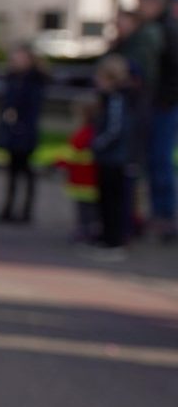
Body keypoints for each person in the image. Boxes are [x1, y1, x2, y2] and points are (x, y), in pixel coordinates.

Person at [88, 53, 141, 259]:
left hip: (115, 159)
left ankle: (114, 240)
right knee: (106, 200)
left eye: (100, 78)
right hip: (111, 157)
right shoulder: (112, 99)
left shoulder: (117, 100)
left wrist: (98, 144)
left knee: (113, 202)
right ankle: (105, 237)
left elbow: (115, 129)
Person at [0, 43, 48, 225]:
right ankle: (8, 208)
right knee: (13, 171)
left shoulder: (33, 81)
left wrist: (19, 121)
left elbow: (31, 107)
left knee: (25, 170)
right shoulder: (12, 78)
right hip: (12, 130)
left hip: (25, 131)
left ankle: (25, 211)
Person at [148, 0, 178, 243]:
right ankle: (162, 215)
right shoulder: (162, 29)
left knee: (160, 160)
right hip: (163, 103)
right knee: (158, 161)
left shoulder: (168, 31)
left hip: (167, 105)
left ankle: (164, 215)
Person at [59, 96, 101, 243]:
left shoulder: (82, 134)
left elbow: (72, 155)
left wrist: (60, 163)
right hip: (89, 180)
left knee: (84, 208)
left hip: (82, 180)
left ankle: (85, 229)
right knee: (90, 207)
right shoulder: (94, 133)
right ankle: (90, 228)